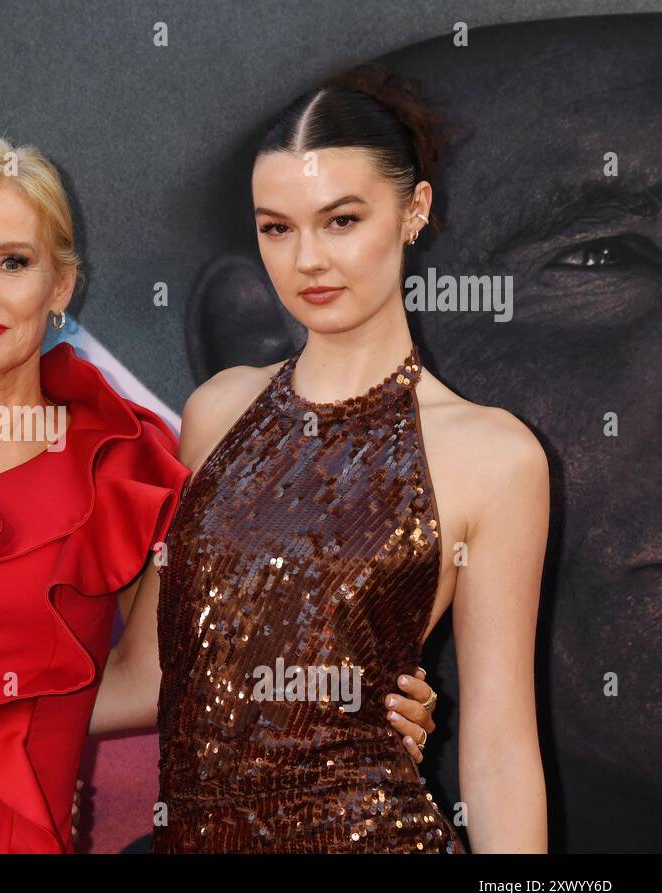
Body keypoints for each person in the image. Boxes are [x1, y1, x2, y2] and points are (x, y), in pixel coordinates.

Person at [0, 134, 442, 853]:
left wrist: (353, 706)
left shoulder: (120, 463)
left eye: (13, 262)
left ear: (60, 284)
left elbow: (167, 673)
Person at [112, 65, 547, 852]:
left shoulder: (494, 455)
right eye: (277, 227)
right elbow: (144, 680)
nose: (307, 259)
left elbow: (499, 749)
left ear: (414, 211)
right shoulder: (216, 412)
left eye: (341, 221)